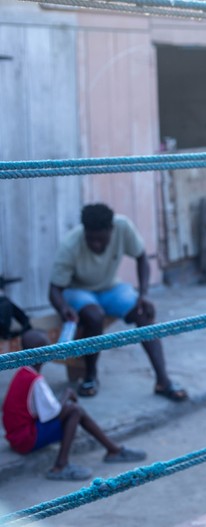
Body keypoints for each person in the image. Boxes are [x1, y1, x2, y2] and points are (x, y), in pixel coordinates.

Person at [48, 203, 187, 401]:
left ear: (110, 230)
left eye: (100, 239)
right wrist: (63, 308)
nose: (95, 244)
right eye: (91, 239)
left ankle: (163, 381)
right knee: (94, 316)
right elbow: (54, 290)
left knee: (143, 314)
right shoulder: (70, 245)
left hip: (111, 287)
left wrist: (143, 295)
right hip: (79, 291)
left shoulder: (122, 227)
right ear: (84, 232)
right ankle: (90, 376)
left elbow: (141, 258)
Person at [2, 329, 147, 481]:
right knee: (75, 410)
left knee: (75, 411)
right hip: (25, 439)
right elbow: (54, 412)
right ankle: (61, 465)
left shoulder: (22, 372)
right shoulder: (34, 379)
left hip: (16, 437)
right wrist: (67, 394)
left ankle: (113, 449)